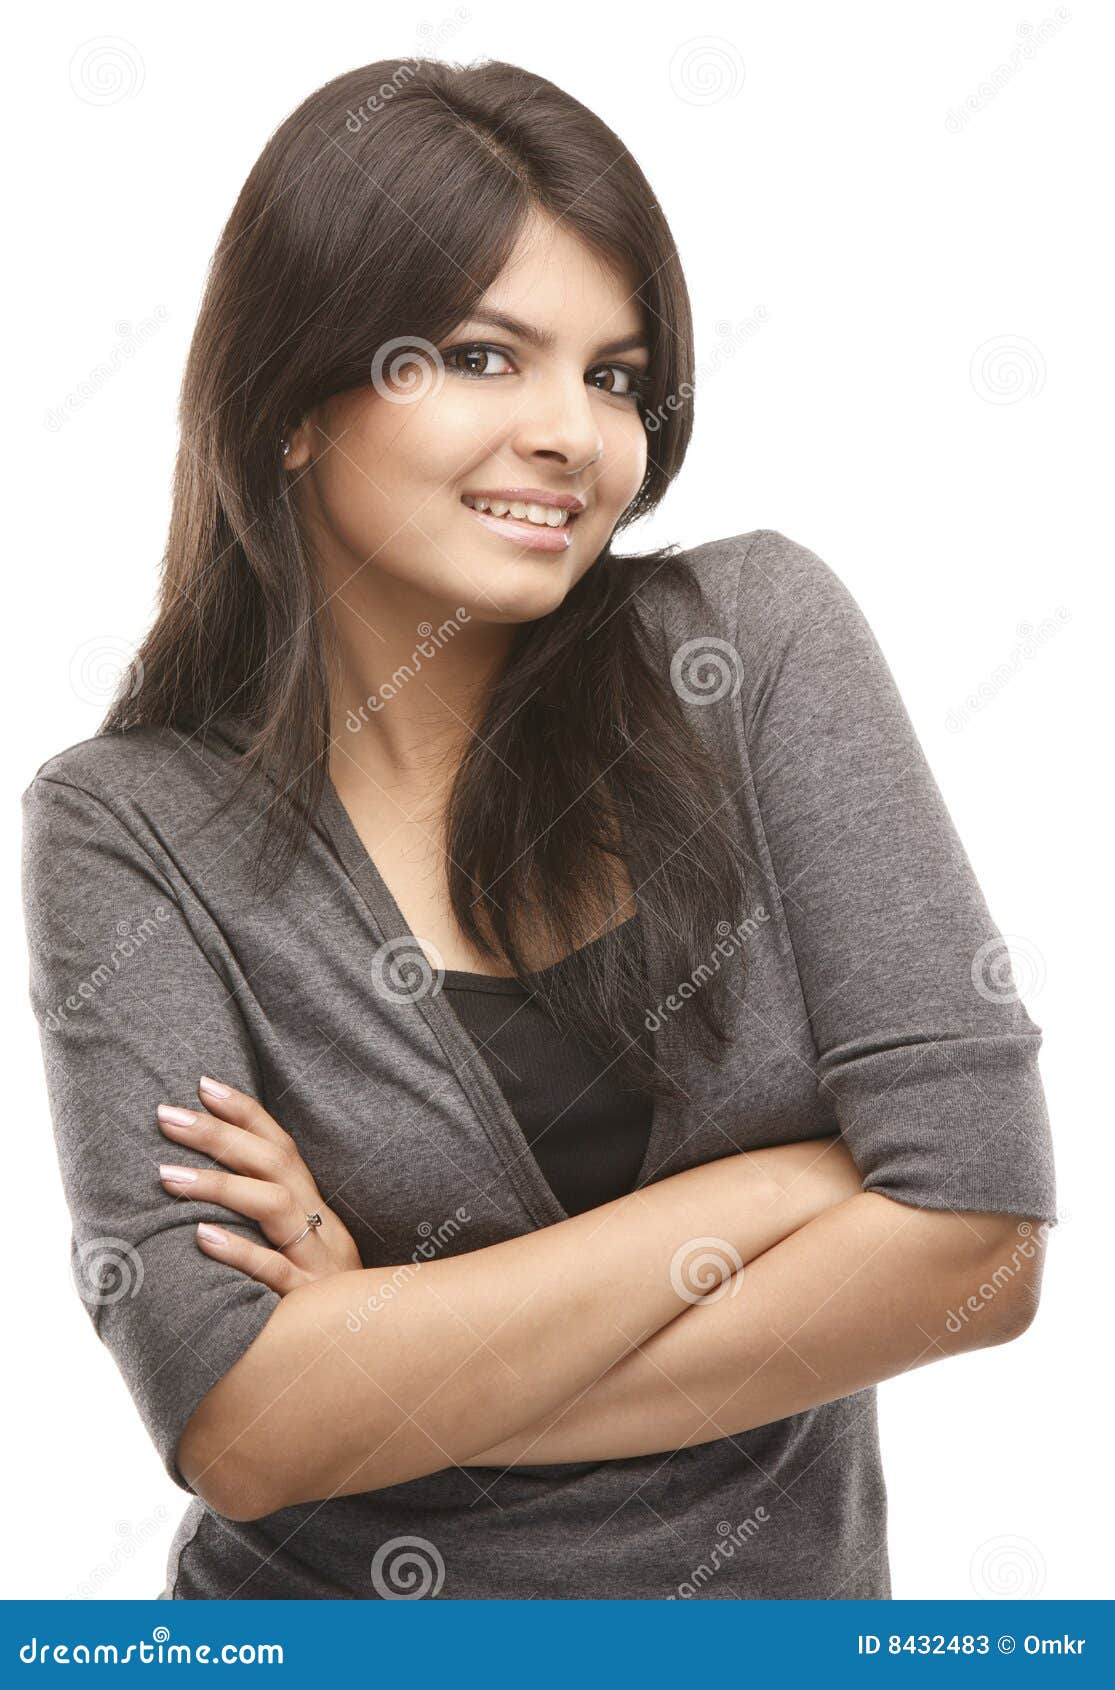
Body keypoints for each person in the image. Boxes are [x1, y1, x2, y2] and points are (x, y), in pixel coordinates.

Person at [21, 58, 1056, 1601]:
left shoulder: (751, 647)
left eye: (616, 375)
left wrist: (380, 1369)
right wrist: (776, 1191)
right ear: (292, 403)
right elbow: (239, 1425)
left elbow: (979, 1239)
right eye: (480, 356)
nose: (573, 432)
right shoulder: (126, 826)